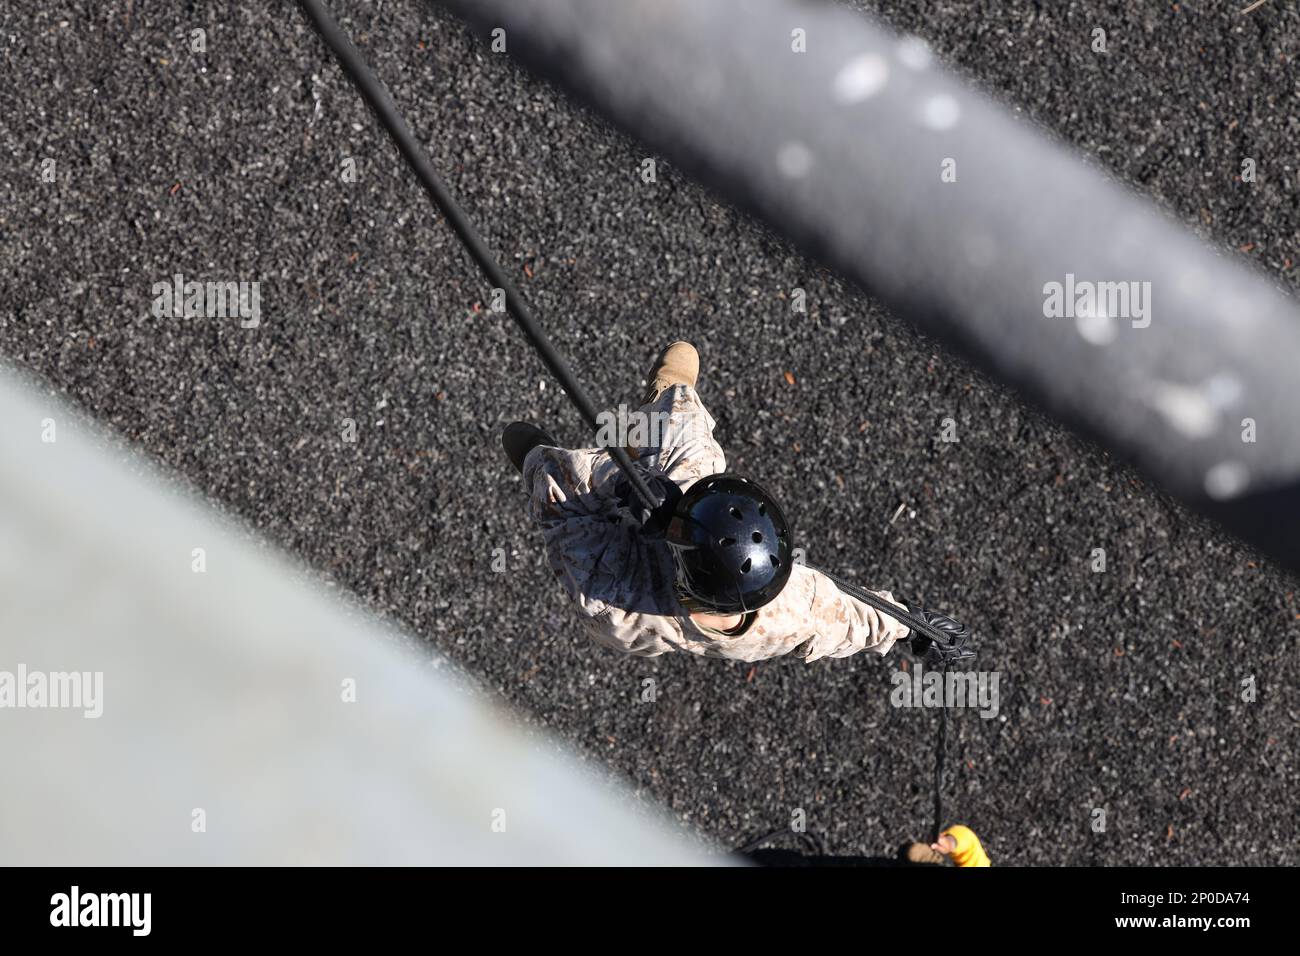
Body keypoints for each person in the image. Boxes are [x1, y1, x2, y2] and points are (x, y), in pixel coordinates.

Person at [502, 342, 911, 662]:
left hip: (630, 583)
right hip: (687, 544)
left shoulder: (610, 596)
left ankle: (580, 452)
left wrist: (628, 483)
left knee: (550, 471)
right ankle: (660, 411)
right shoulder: (789, 607)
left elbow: (565, 505)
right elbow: (849, 618)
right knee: (689, 433)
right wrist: (908, 625)